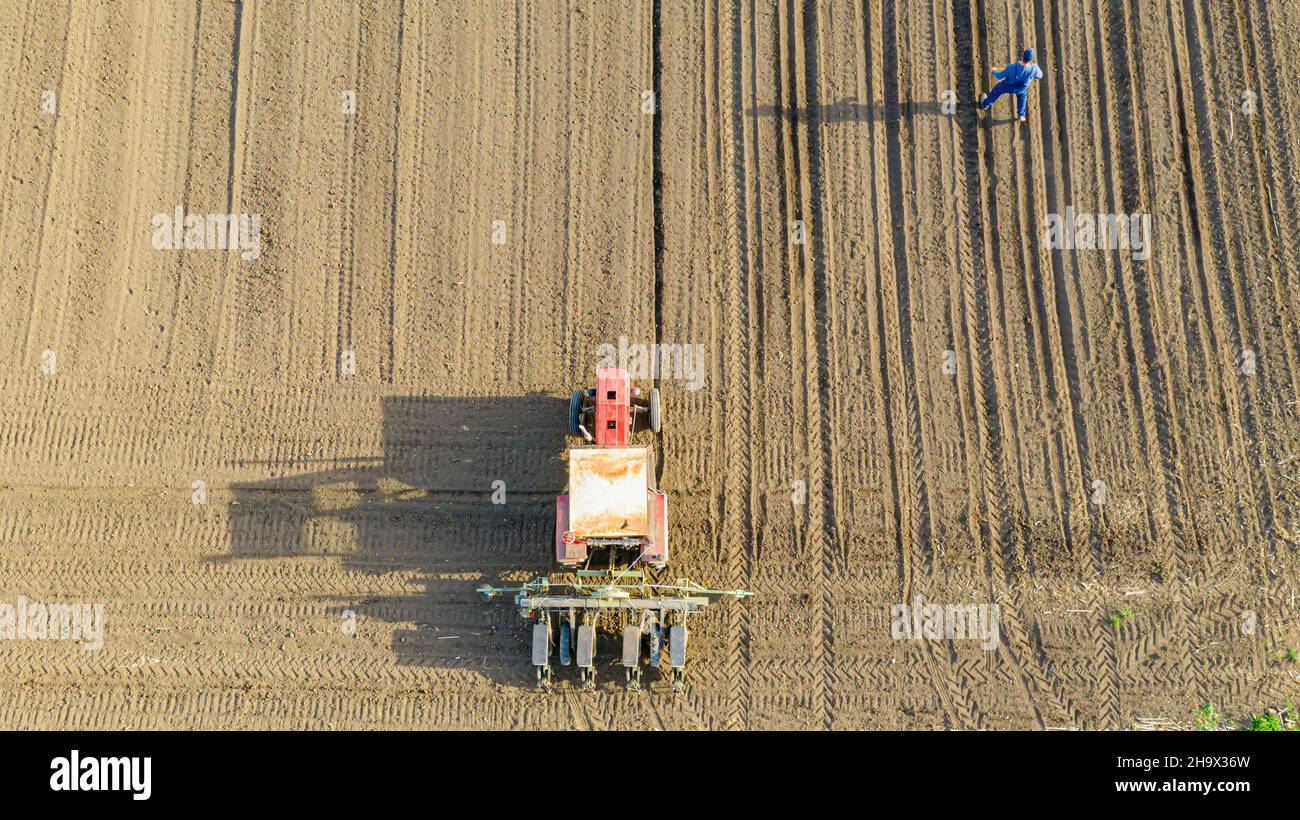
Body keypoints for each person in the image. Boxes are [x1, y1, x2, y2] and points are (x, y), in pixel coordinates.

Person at [978, 48, 1043, 122]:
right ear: (1031, 60)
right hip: (1021, 89)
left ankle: (985, 104)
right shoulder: (1034, 68)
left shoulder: (1011, 67)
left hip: (1007, 86)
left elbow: (999, 76)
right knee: (1022, 97)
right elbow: (1040, 76)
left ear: (1022, 56)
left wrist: (993, 71)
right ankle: (1021, 115)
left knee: (996, 91)